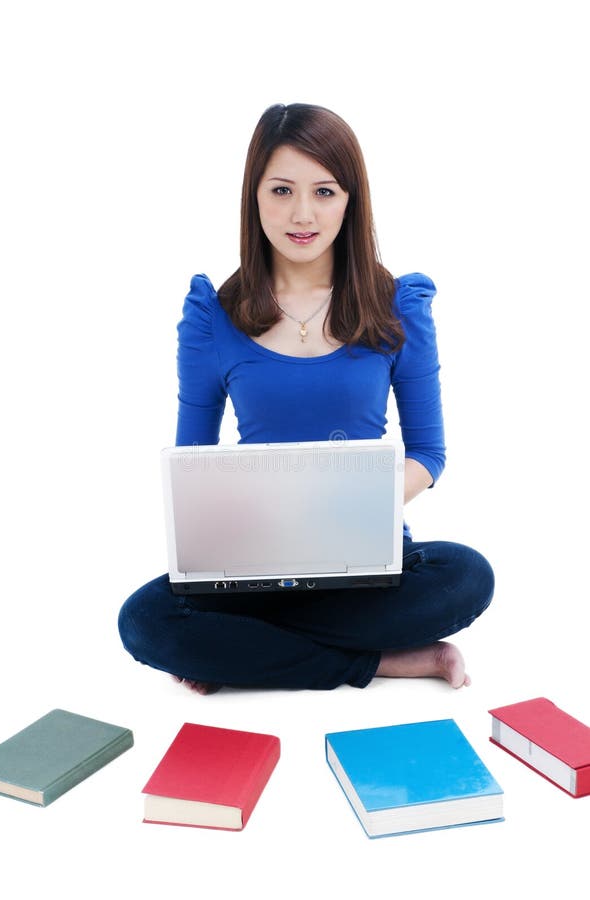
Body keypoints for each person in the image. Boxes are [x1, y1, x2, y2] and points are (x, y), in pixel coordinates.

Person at [118, 103, 494, 694]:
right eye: (282, 190)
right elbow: (192, 465)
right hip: (252, 565)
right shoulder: (212, 317)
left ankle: (242, 653)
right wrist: (265, 522)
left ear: (350, 200)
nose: (302, 214)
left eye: (324, 192)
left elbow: (429, 453)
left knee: (468, 575)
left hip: (366, 560)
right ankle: (382, 661)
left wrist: (341, 509)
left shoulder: (396, 307)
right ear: (254, 196)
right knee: (144, 620)